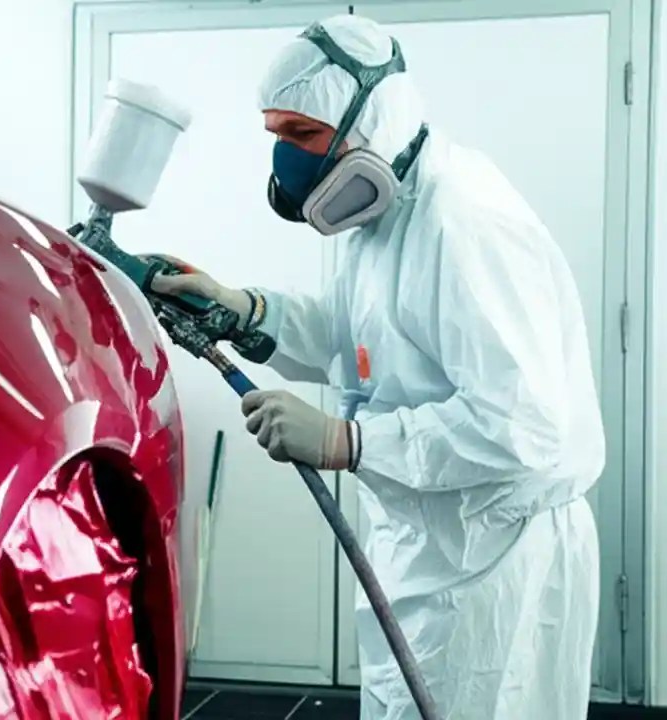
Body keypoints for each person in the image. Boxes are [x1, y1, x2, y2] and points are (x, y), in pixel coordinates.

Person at [152, 14, 605, 720]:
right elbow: (351, 332)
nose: (286, 162)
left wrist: (349, 442)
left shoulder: (461, 220)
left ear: (371, 123)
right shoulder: (382, 213)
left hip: (490, 559)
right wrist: (243, 309)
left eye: (301, 136)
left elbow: (525, 426)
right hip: (431, 546)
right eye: (274, 135)